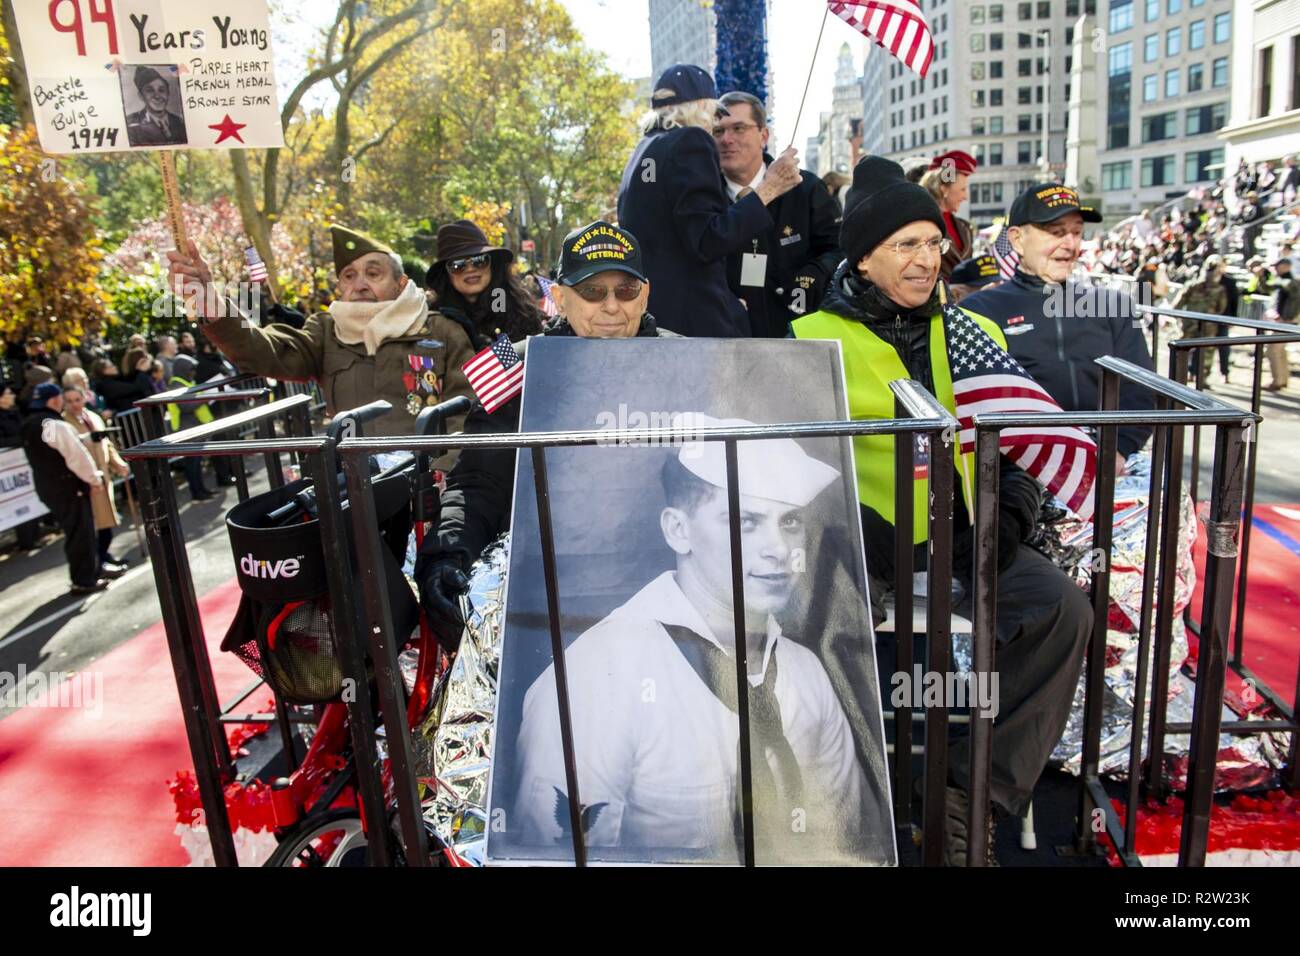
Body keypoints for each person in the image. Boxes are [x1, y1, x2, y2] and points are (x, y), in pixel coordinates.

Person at [790, 156, 1092, 864]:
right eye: (907, 246)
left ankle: (969, 789)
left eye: (934, 244)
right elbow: (791, 467)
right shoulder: (808, 343)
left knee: (1062, 612)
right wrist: (860, 530)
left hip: (964, 540)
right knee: (796, 631)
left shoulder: (966, 333)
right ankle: (827, 800)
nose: (928, 260)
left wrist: (1008, 518)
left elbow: (1016, 445)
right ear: (863, 259)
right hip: (852, 546)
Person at [511, 421, 874, 861]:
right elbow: (560, 854)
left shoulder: (805, 672)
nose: (778, 549)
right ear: (677, 530)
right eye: (745, 520)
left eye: (790, 521)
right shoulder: (597, 677)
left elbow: (838, 839)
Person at [416, 221, 677, 632]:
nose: (611, 306)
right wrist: (448, 553)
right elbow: (479, 481)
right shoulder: (509, 365)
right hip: (547, 576)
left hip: (666, 574)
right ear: (558, 297)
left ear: (644, 294)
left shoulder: (688, 360)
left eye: (625, 291)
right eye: (592, 291)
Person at [167, 224, 475, 438]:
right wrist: (211, 303)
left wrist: (446, 472)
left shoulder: (442, 330)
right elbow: (262, 351)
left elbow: (466, 409)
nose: (360, 284)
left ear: (402, 283)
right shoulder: (326, 330)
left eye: (373, 273)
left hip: (430, 487)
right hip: (356, 486)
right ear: (340, 287)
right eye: (349, 276)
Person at [962, 183, 1157, 474]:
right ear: (1017, 239)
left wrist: (1117, 449)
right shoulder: (979, 310)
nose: (1069, 243)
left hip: (1101, 467)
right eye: (1056, 232)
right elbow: (971, 403)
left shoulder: (1113, 305)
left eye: (1077, 232)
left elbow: (1141, 391)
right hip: (1011, 475)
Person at [617, 64, 801, 337]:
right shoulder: (690, 141)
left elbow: (676, 241)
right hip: (698, 329)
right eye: (716, 114)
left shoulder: (641, 152)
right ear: (702, 106)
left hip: (655, 319)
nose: (715, 124)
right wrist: (768, 189)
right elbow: (707, 240)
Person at [716, 91, 842, 337]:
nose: (727, 139)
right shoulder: (703, 199)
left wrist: (810, 277)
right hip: (729, 342)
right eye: (718, 131)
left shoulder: (805, 189)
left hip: (798, 334)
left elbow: (839, 249)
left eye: (739, 128)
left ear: (764, 135)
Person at [20, 382, 108, 593]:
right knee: (81, 533)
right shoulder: (54, 425)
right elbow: (76, 457)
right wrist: (95, 479)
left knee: (75, 532)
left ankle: (86, 574)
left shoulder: (31, 424)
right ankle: (84, 580)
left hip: (49, 487)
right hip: (68, 487)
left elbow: (51, 450)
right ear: (55, 400)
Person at [424, 219, 545, 350]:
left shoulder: (523, 312)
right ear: (446, 273)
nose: (470, 269)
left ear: (492, 265)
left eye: (479, 260)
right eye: (458, 265)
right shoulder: (433, 321)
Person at [62, 386, 130, 575]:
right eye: (70, 401)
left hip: (103, 477)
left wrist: (118, 463)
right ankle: (97, 562)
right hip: (86, 480)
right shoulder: (64, 423)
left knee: (106, 522)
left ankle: (104, 555)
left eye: (78, 399)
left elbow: (106, 444)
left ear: (84, 399)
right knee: (94, 524)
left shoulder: (93, 417)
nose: (75, 404)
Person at [919, 150, 977, 280]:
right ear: (943, 189)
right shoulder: (923, 225)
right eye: (962, 189)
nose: (965, 196)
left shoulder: (965, 227)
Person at [166, 355, 217, 502]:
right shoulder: (176, 384)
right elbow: (185, 406)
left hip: (193, 426)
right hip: (186, 428)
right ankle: (197, 492)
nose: (193, 372)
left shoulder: (185, 382)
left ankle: (201, 490)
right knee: (192, 463)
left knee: (196, 462)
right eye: (190, 369)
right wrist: (205, 398)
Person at [1172, 257, 1230, 385]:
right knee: (1194, 350)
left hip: (1198, 324)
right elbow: (1221, 308)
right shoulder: (1208, 288)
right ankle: (1194, 378)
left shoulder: (1198, 287)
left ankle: (1183, 376)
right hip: (1198, 324)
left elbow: (1177, 304)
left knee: (1190, 350)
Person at [124, 66, 187, 147]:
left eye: (161, 90)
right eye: (150, 90)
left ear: (168, 93)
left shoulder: (180, 122)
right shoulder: (131, 123)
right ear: (141, 96)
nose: (157, 96)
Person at [1266, 257, 1299, 391]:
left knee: (1273, 350)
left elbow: (1296, 300)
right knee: (1279, 350)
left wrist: (1290, 317)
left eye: (1277, 266)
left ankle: (1278, 381)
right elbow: (1268, 287)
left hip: (1287, 320)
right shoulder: (1285, 281)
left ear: (1285, 266)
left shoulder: (1291, 282)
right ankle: (1282, 379)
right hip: (1286, 320)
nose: (1275, 269)